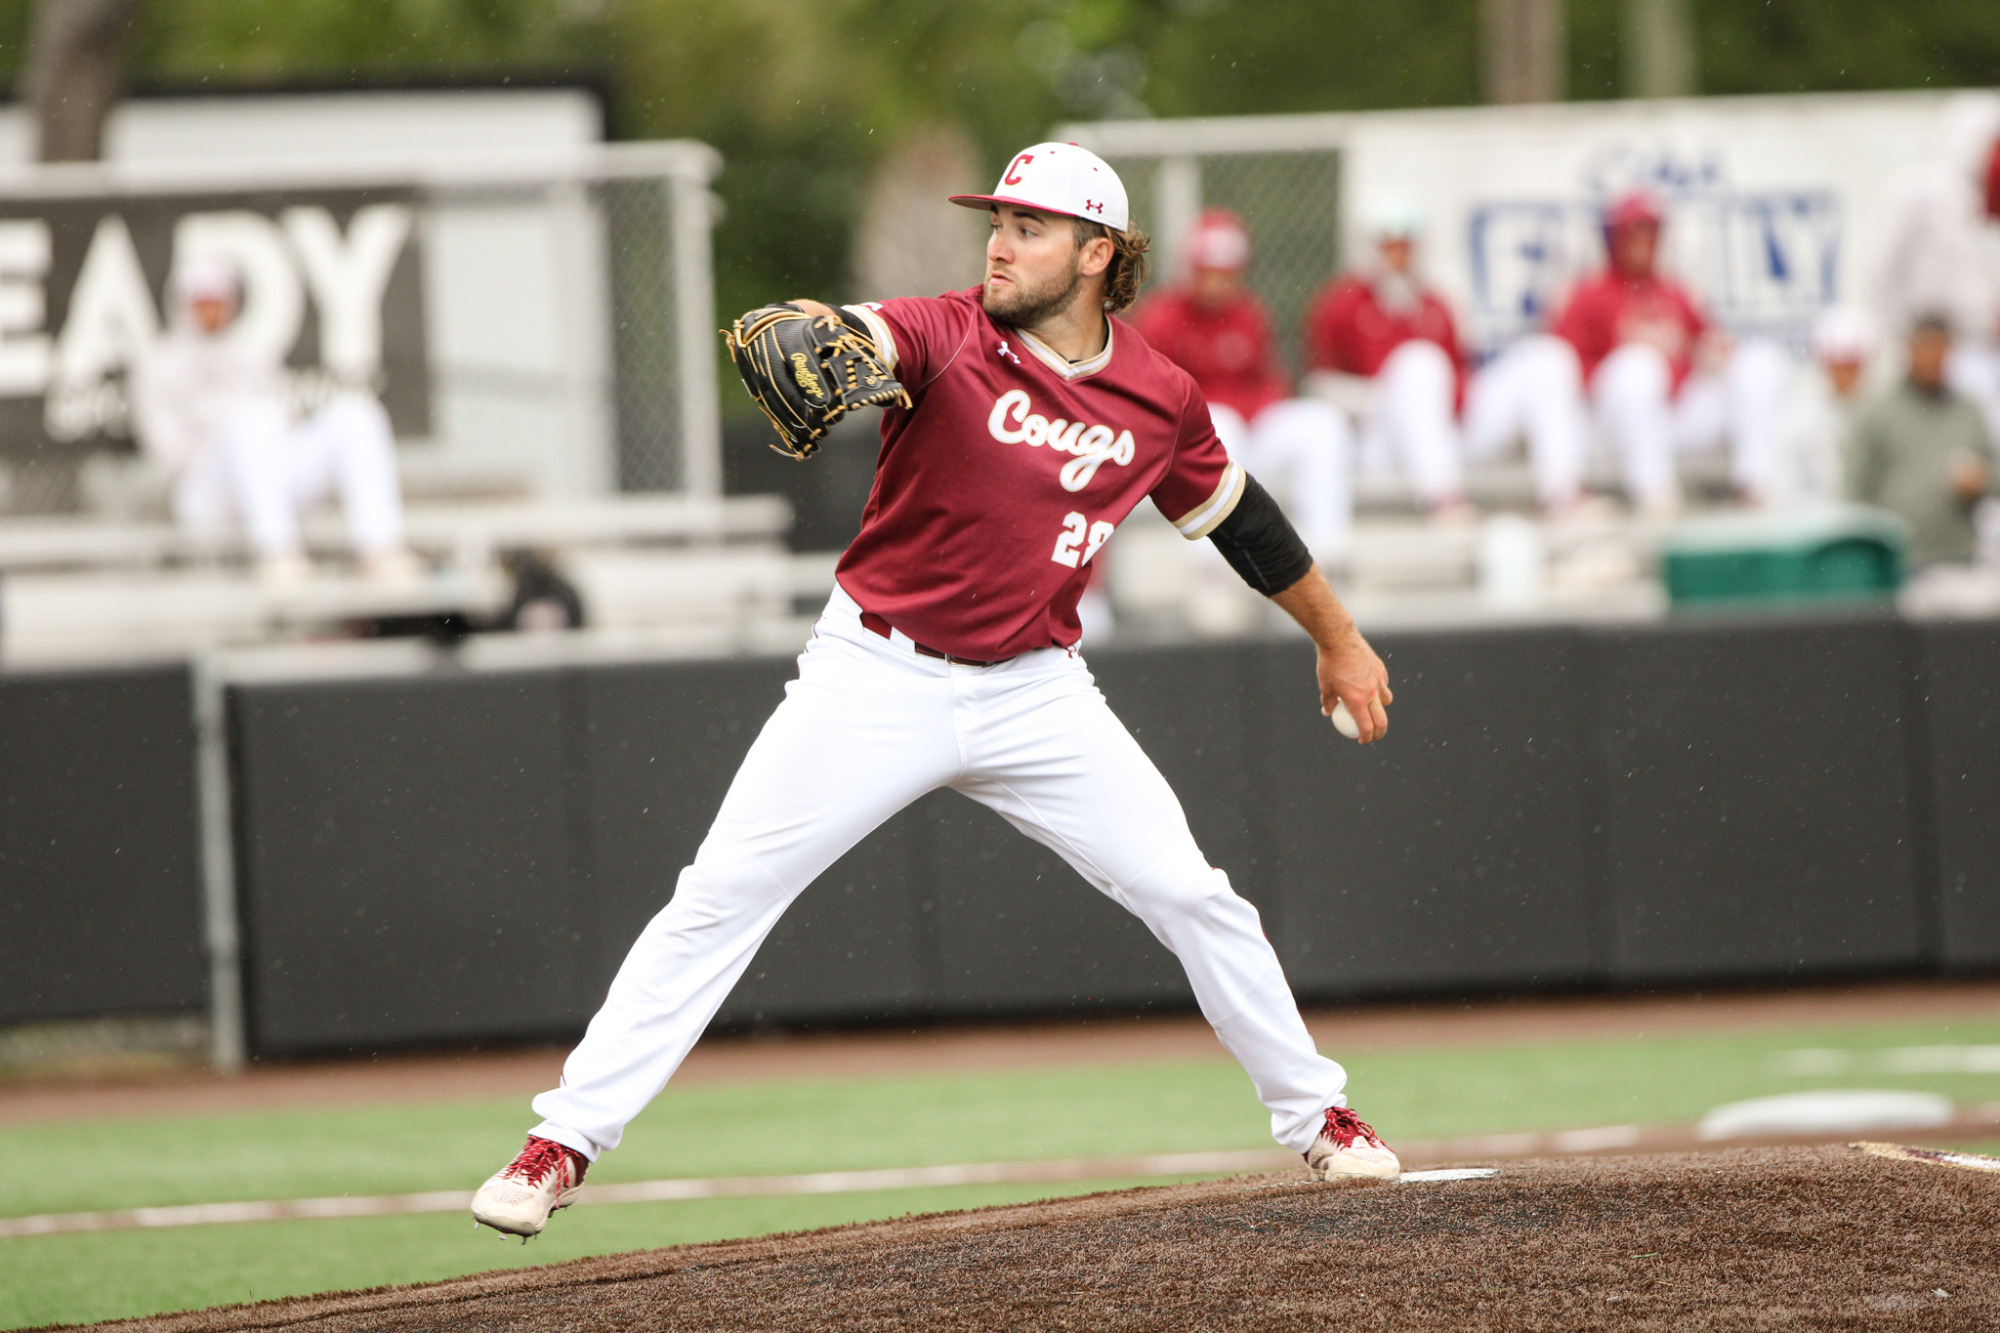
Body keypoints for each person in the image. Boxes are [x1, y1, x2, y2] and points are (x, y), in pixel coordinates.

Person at [470, 142, 1404, 1239]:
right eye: (996, 222)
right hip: (875, 673)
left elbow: (1242, 522)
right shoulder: (947, 330)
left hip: (1036, 692)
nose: (999, 243)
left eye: (1029, 227)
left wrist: (1337, 638)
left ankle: (1322, 1118)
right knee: (720, 893)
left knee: (1193, 895)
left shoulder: (1158, 395)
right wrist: (834, 330)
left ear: (1097, 253)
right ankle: (559, 1144)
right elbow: (865, 331)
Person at [1302, 198, 1592, 519]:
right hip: (1383, 439)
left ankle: (1563, 492)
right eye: (1390, 246)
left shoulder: (1435, 304)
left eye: (1405, 246)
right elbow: (1322, 387)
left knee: (1547, 356)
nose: (1399, 256)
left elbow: (1459, 370)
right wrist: (1391, 395)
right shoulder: (1341, 304)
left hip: (1448, 433)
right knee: (1419, 362)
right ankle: (1442, 497)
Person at [130, 258, 415, 582]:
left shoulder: (254, 353)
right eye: (203, 303)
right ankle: (277, 552)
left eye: (219, 302)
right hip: (205, 487)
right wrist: (231, 440)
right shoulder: (159, 363)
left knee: (357, 413)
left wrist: (257, 449)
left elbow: (284, 419)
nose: (212, 312)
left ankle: (379, 548)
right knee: (252, 420)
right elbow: (166, 449)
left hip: (268, 477)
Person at [1132, 208, 1352, 558]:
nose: (1220, 282)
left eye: (1228, 273)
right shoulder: (1162, 317)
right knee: (1218, 420)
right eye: (1210, 272)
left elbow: (1270, 381)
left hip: (1249, 433)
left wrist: (1259, 409)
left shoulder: (1249, 311)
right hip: (1190, 448)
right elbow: (1153, 395)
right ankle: (1213, 562)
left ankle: (1327, 553)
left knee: (1321, 424)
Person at [1553, 189, 1789, 516]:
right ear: (1614, 237)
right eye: (1634, 230)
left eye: (1651, 230)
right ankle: (1654, 494)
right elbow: (1563, 369)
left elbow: (1706, 344)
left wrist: (1713, 352)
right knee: (1638, 367)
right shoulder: (1590, 293)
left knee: (1761, 361)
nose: (1644, 239)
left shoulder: (1675, 292)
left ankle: (1755, 486)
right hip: (1613, 424)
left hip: (1672, 417)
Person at [1871, 91, 2000, 448]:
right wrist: (1904, 336)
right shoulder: (1920, 190)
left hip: (1981, 346)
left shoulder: (1979, 202)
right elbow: (1881, 268)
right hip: (1935, 343)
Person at [1845, 313, 2000, 568]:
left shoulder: (1968, 410)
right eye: (1928, 347)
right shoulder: (1878, 410)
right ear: (1909, 350)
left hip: (1958, 559)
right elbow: (1854, 490)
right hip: (1897, 564)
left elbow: (1995, 476)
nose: (1935, 357)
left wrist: (1980, 480)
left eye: (1942, 348)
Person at [1770, 306, 1875, 507]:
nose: (1844, 375)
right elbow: (1785, 486)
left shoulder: (1881, 411)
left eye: (1852, 365)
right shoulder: (1799, 414)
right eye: (1837, 365)